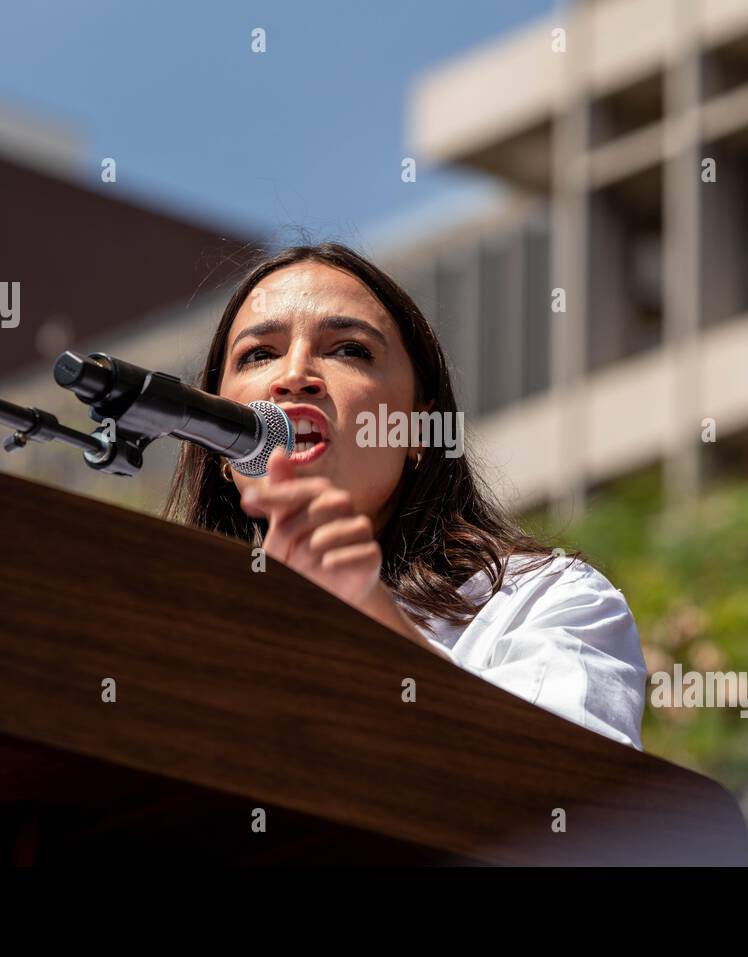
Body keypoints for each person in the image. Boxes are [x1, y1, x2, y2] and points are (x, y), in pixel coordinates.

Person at [163, 242, 646, 749]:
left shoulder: (543, 600)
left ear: (417, 428)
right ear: (217, 443)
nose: (294, 377)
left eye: (350, 350)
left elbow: (567, 785)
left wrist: (368, 622)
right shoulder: (172, 628)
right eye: (260, 354)